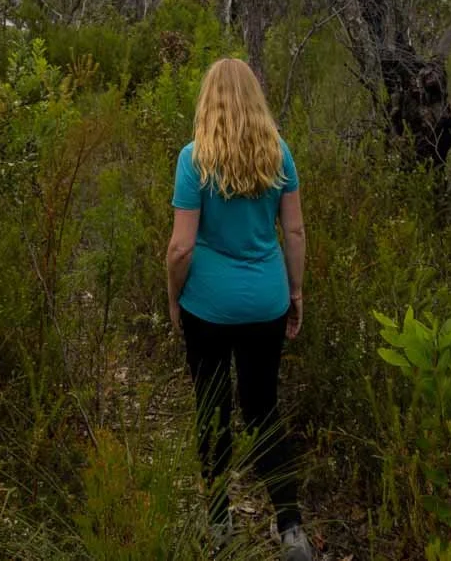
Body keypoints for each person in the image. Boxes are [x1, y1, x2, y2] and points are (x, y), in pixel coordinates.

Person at [166, 57, 311, 560]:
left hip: (207, 306)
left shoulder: (194, 158)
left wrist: (173, 299)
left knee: (212, 407)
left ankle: (219, 521)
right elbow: (293, 231)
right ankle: (290, 525)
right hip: (266, 301)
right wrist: (295, 294)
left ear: (209, 100)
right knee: (262, 406)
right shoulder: (279, 153)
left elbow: (181, 248)